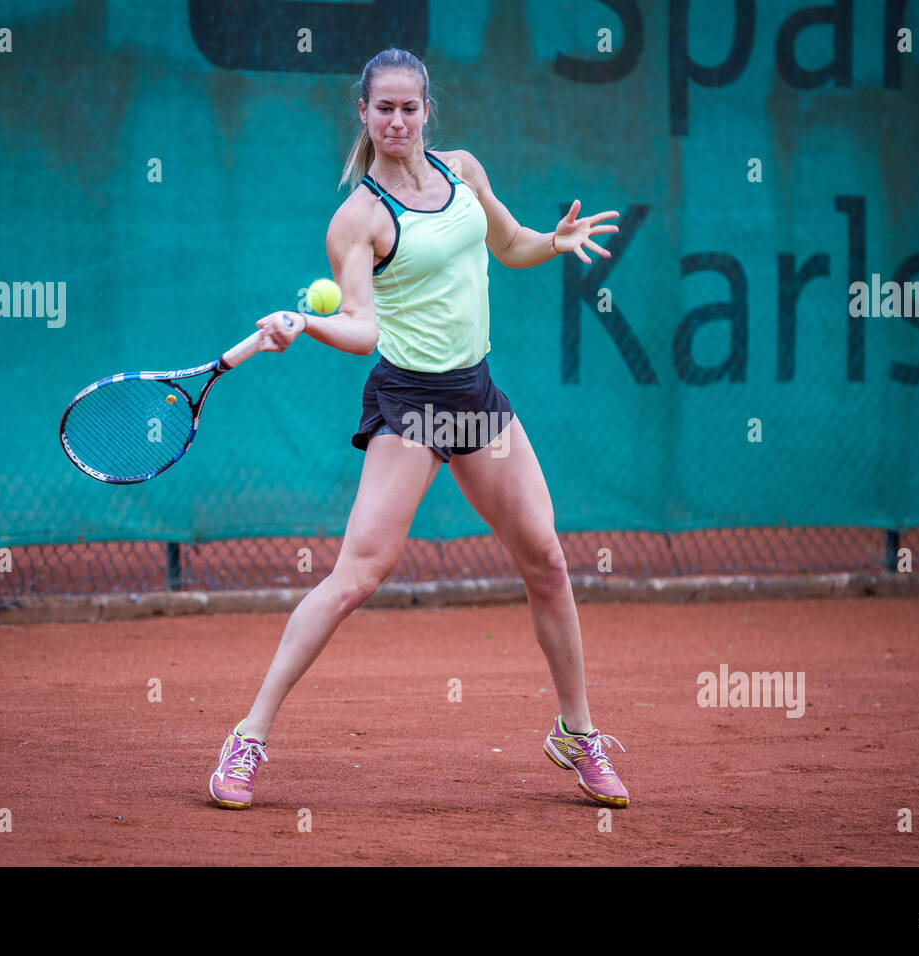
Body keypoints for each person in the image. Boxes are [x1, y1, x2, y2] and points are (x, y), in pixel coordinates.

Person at [208, 48, 629, 810]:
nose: (396, 120)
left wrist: (554, 242)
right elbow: (365, 329)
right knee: (357, 576)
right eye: (383, 109)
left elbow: (508, 245)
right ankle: (248, 737)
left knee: (549, 561)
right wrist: (304, 324)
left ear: (427, 109)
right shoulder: (359, 218)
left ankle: (577, 733)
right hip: (411, 406)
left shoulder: (464, 171)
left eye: (409, 107)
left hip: (477, 396)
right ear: (362, 115)